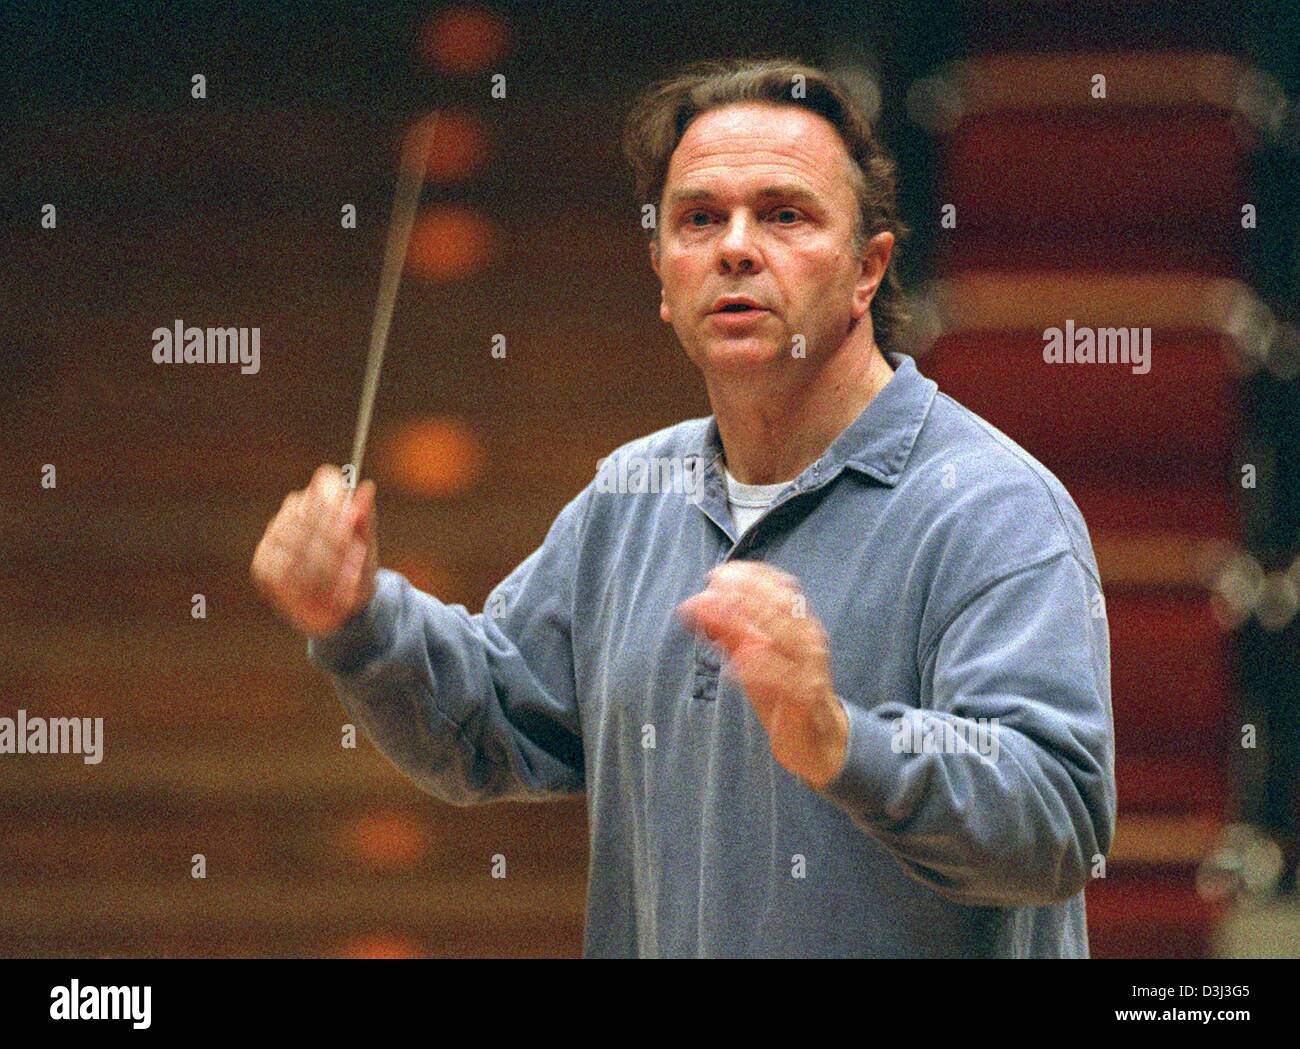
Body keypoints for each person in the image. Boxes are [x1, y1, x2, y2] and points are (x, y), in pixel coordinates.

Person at [251, 57, 1115, 958]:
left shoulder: (993, 508)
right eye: (700, 218)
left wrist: (842, 741)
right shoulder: (633, 494)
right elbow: (490, 720)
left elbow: (1057, 823)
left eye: (784, 214)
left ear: (869, 270)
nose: (736, 246)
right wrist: (358, 619)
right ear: (663, 277)